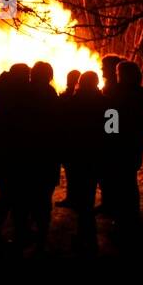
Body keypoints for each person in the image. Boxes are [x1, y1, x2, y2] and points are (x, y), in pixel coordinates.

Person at [0, 64, 31, 250]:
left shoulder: (4, 93)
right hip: (11, 153)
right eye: (26, 75)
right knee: (10, 196)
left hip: (4, 153)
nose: (29, 78)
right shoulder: (13, 95)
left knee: (10, 195)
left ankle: (17, 232)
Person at [64, 71, 109, 255]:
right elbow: (112, 132)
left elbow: (64, 129)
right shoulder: (107, 103)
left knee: (81, 196)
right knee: (88, 196)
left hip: (76, 155)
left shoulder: (72, 103)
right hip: (96, 154)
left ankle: (85, 235)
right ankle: (87, 236)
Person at [107, 61, 143, 225]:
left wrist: (111, 137)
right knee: (129, 180)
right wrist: (138, 133)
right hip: (134, 145)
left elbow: (111, 118)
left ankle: (123, 217)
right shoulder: (141, 96)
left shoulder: (118, 95)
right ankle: (130, 215)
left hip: (121, 145)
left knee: (122, 182)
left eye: (119, 74)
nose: (117, 76)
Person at [26, 61, 61, 253]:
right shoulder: (50, 95)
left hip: (29, 152)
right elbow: (57, 124)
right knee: (44, 194)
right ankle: (42, 233)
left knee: (29, 193)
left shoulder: (23, 93)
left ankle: (29, 229)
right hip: (47, 153)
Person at [97, 54, 124, 215]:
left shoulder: (115, 90)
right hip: (110, 139)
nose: (101, 69)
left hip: (112, 141)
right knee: (106, 175)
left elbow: (112, 115)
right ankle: (109, 203)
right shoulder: (111, 87)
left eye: (104, 66)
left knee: (111, 175)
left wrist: (109, 135)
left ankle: (112, 206)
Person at [56, 69, 81, 208]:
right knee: (75, 172)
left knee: (73, 172)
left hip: (70, 141)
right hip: (76, 142)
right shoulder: (94, 98)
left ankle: (74, 199)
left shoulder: (67, 98)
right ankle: (75, 198)